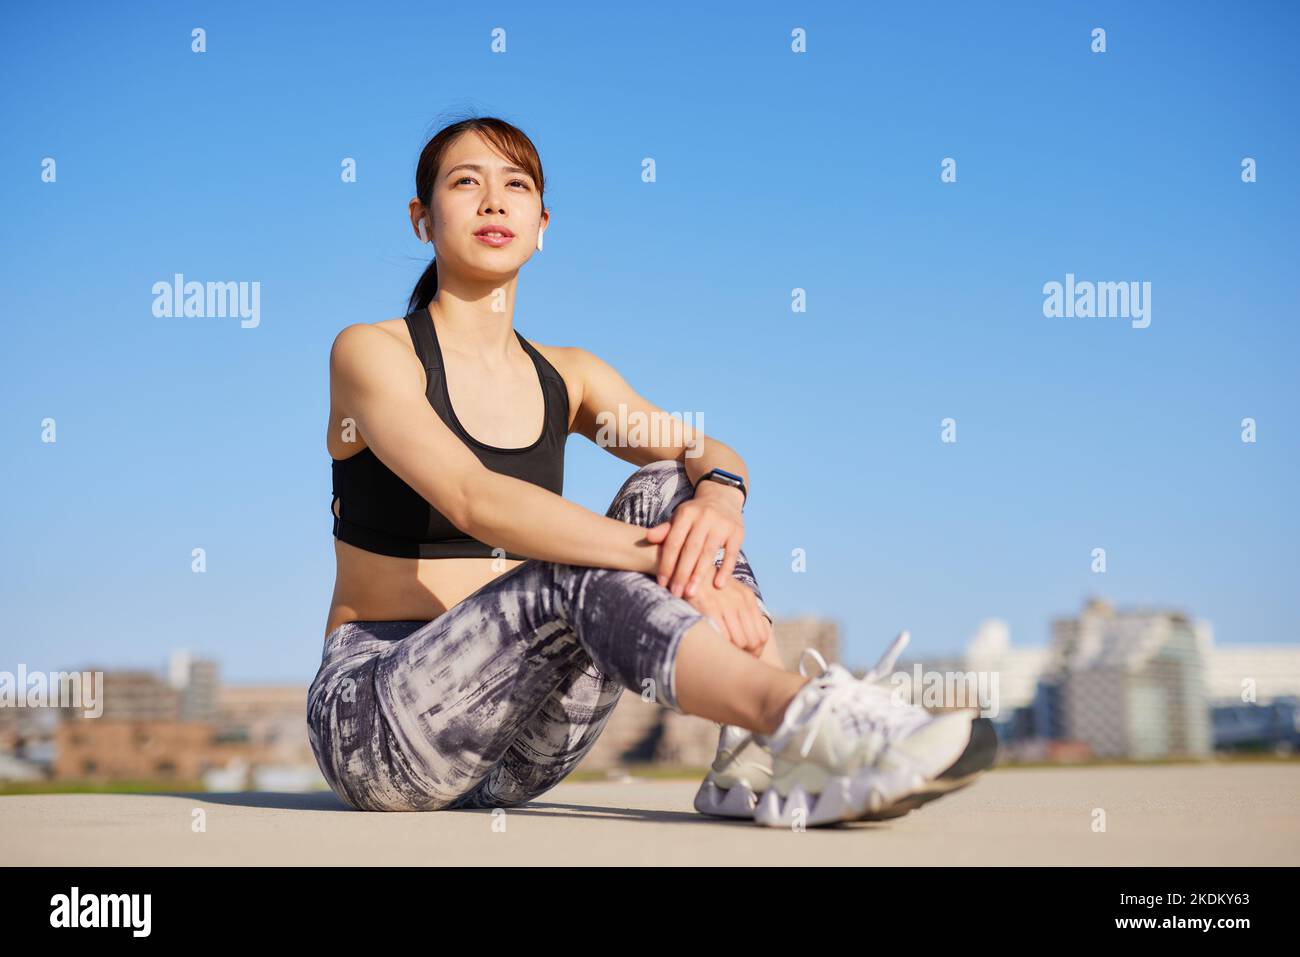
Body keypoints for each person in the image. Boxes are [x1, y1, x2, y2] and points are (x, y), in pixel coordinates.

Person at [307, 115, 995, 828]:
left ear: (542, 224)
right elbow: (470, 496)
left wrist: (718, 507)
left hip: (520, 745)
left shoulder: (568, 375)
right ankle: (798, 715)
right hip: (382, 724)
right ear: (422, 219)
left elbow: (709, 451)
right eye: (465, 182)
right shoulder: (371, 353)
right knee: (571, 561)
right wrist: (663, 558)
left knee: (671, 486)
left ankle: (752, 756)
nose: (492, 201)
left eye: (516, 185)